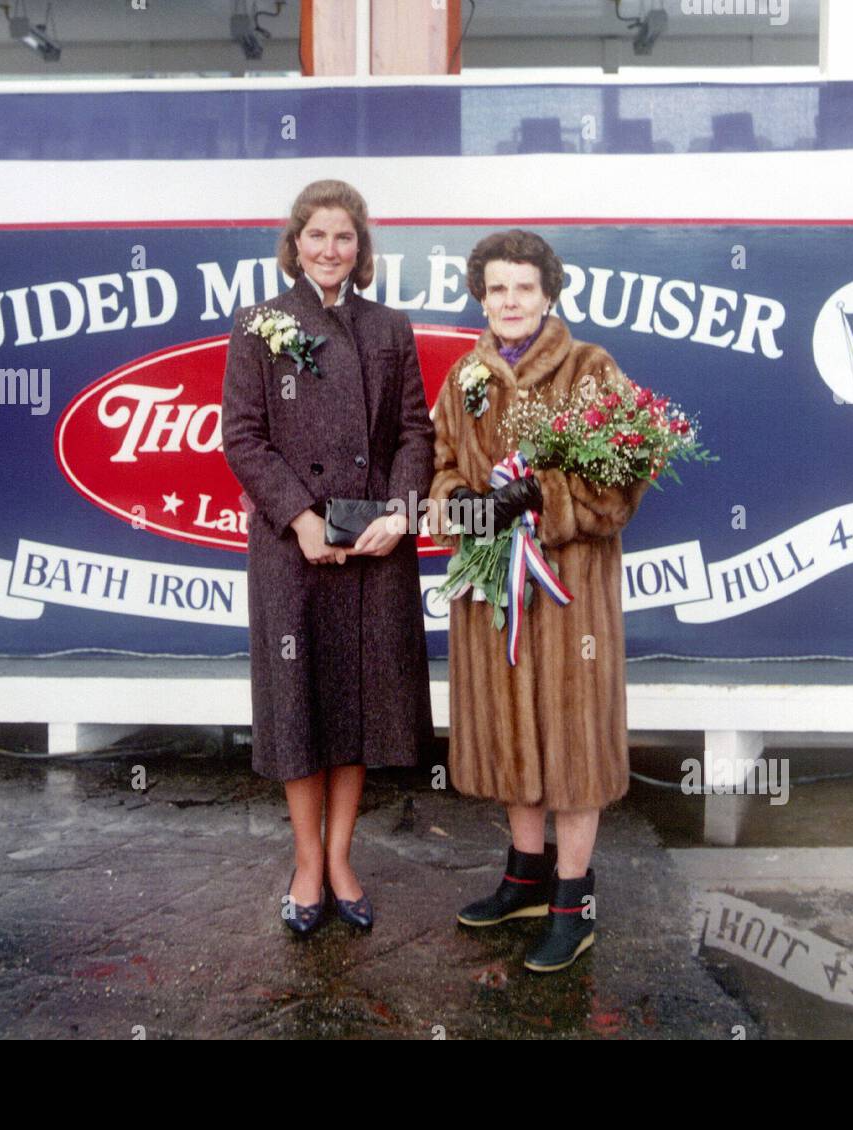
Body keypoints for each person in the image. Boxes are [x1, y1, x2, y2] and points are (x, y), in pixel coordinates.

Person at [428, 229, 649, 973]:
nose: (510, 301)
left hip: (569, 602)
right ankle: (524, 877)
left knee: (573, 746)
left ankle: (573, 898)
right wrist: (466, 503)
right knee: (507, 737)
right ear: (481, 297)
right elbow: (441, 467)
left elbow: (620, 486)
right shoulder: (464, 377)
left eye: (524, 286)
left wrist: (540, 498)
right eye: (497, 289)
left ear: (549, 292)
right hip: (493, 589)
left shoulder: (592, 369)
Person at [221, 179, 435, 937]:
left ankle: (343, 858)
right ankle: (306, 863)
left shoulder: (389, 328)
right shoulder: (259, 324)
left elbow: (416, 435)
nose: (330, 249)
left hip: (374, 548)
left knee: (360, 706)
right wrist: (299, 518)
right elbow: (241, 438)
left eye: (344, 237)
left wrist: (402, 512)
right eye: (317, 235)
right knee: (302, 705)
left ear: (361, 247)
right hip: (294, 551)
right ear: (295, 242)